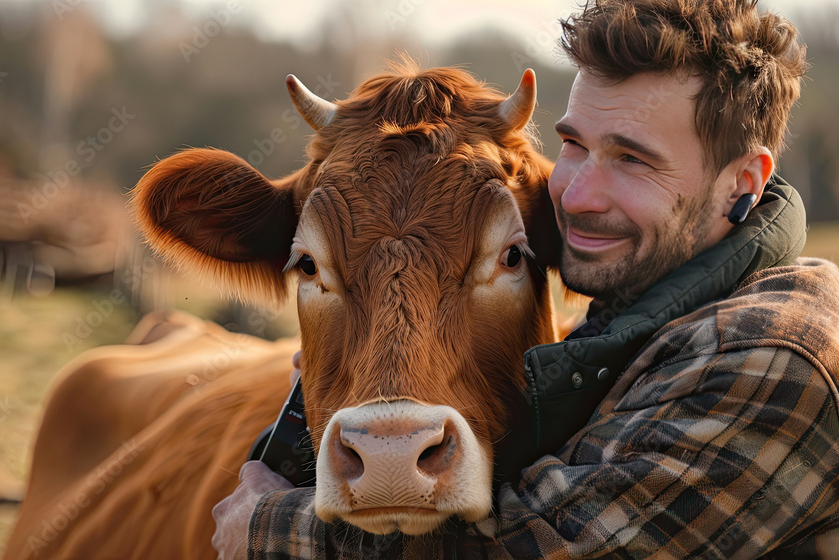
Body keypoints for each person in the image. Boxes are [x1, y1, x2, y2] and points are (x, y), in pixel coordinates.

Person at [213, 0, 839, 557]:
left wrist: (267, 529)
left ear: (744, 182)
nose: (577, 195)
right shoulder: (642, 315)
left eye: (633, 159)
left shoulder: (781, 354)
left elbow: (551, 544)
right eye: (572, 145)